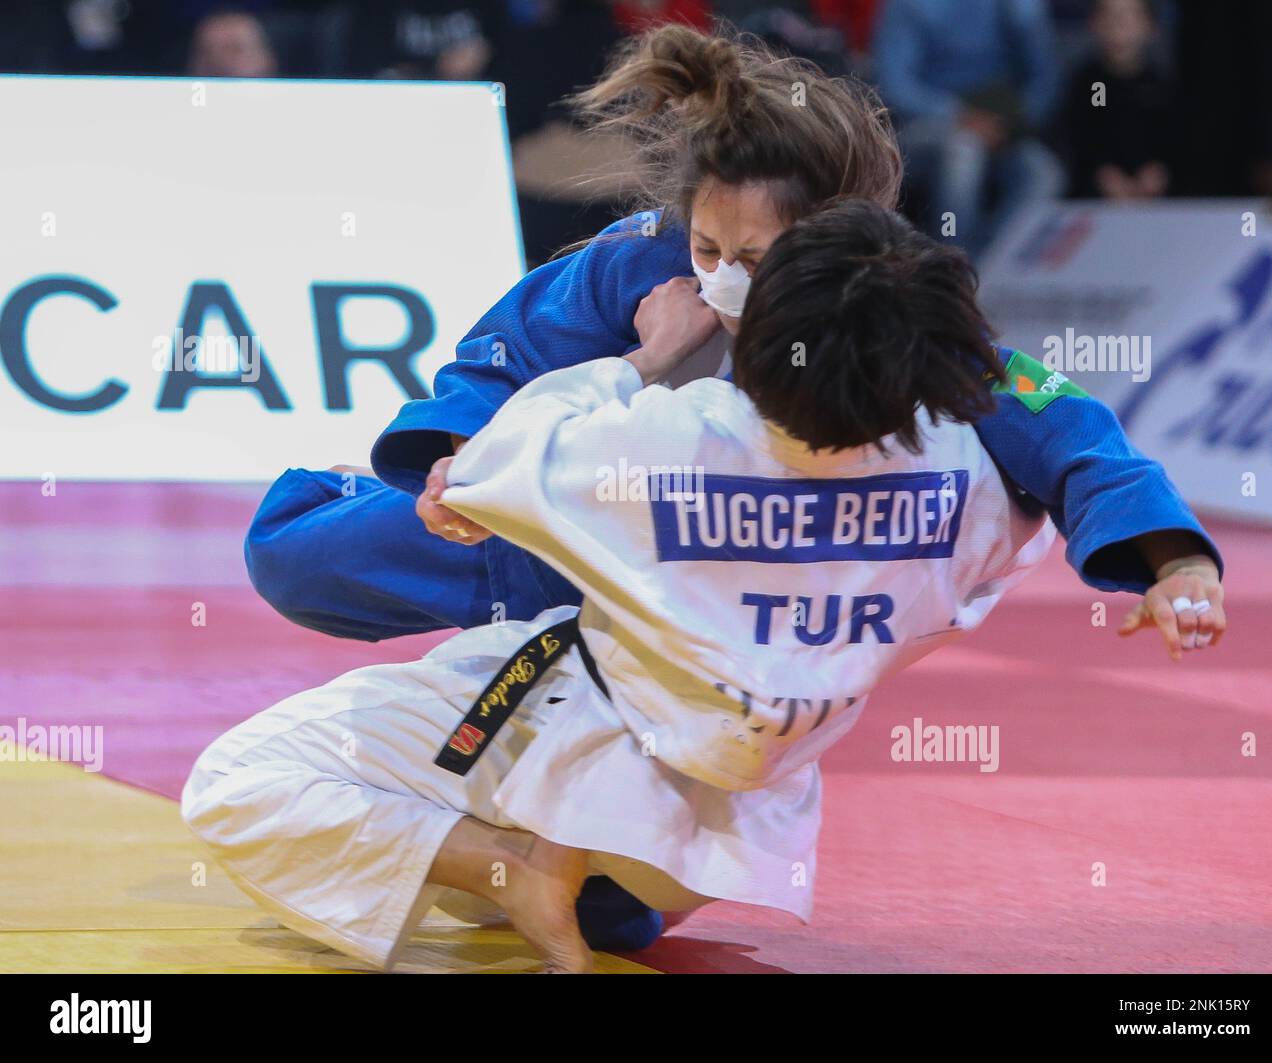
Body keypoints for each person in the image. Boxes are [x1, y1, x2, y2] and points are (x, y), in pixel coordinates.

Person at [243, 24, 1225, 951]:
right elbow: (498, 362)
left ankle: (545, 838)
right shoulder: (638, 262)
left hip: (690, 603)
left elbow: (1069, 433)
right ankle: (373, 540)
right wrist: (451, 462)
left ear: (836, 236)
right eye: (708, 250)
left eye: (753, 260)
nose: (719, 278)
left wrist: (1170, 559)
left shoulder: (888, 304)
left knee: (616, 919)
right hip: (550, 532)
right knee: (291, 556)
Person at [183, 199, 1059, 973]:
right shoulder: (970, 486)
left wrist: (649, 355)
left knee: (243, 777)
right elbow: (1054, 474)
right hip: (720, 849)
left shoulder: (676, 435)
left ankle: (516, 864)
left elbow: (489, 463)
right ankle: (552, 874)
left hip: (587, 758)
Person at [872, 0, 1064, 253]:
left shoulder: (1015, 7)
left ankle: (991, 263)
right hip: (926, 127)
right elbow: (894, 86)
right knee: (964, 149)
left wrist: (1013, 120)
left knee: (1042, 172)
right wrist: (958, 115)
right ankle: (952, 264)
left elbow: (1045, 79)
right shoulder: (910, 6)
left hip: (998, 127)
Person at [1059, 0, 1176, 200]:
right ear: (1094, 23)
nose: (1119, 24)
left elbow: (1172, 135)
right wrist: (1103, 172)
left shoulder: (1157, 84)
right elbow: (1091, 131)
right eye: (1110, 16)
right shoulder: (1097, 84)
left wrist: (1159, 169)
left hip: (1155, 194)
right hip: (1100, 193)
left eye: (1129, 16)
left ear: (1150, 25)